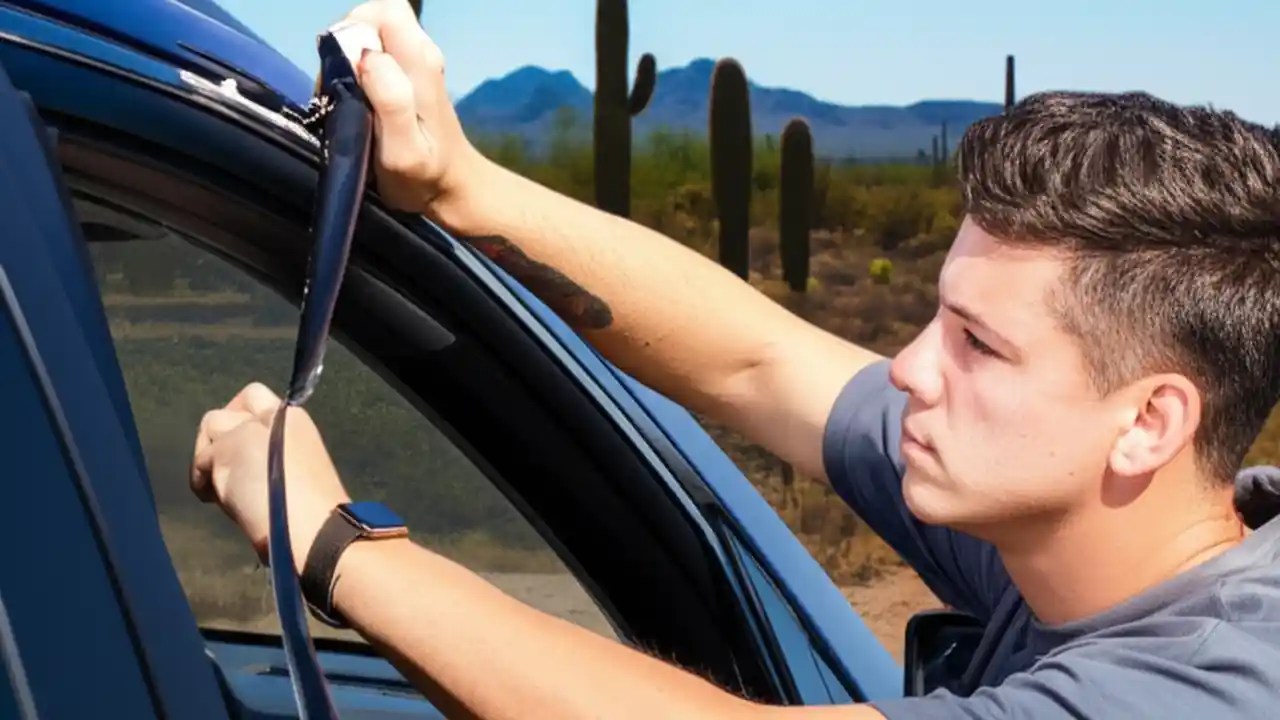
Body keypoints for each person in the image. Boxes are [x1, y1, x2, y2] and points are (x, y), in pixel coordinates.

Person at [190, 0, 1280, 716]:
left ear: (1149, 422)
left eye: (978, 346)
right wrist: (463, 187)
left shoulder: (1210, 689)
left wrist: (339, 544)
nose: (905, 369)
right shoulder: (1085, 530)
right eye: (936, 318)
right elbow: (758, 361)